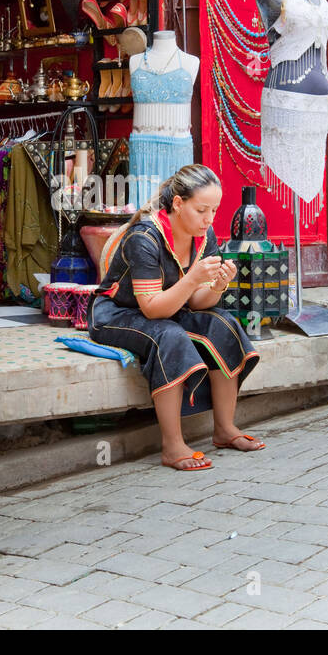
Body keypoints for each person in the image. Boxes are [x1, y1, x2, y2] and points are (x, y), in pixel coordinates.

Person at [88, 165, 262, 471]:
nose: (209, 219)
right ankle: (172, 445)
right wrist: (194, 277)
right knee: (169, 334)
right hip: (117, 312)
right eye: (201, 210)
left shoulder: (203, 234)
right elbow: (153, 310)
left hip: (170, 307)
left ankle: (224, 428)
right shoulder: (144, 237)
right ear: (178, 204)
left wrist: (218, 285)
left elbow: (197, 302)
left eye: (214, 210)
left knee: (224, 324)